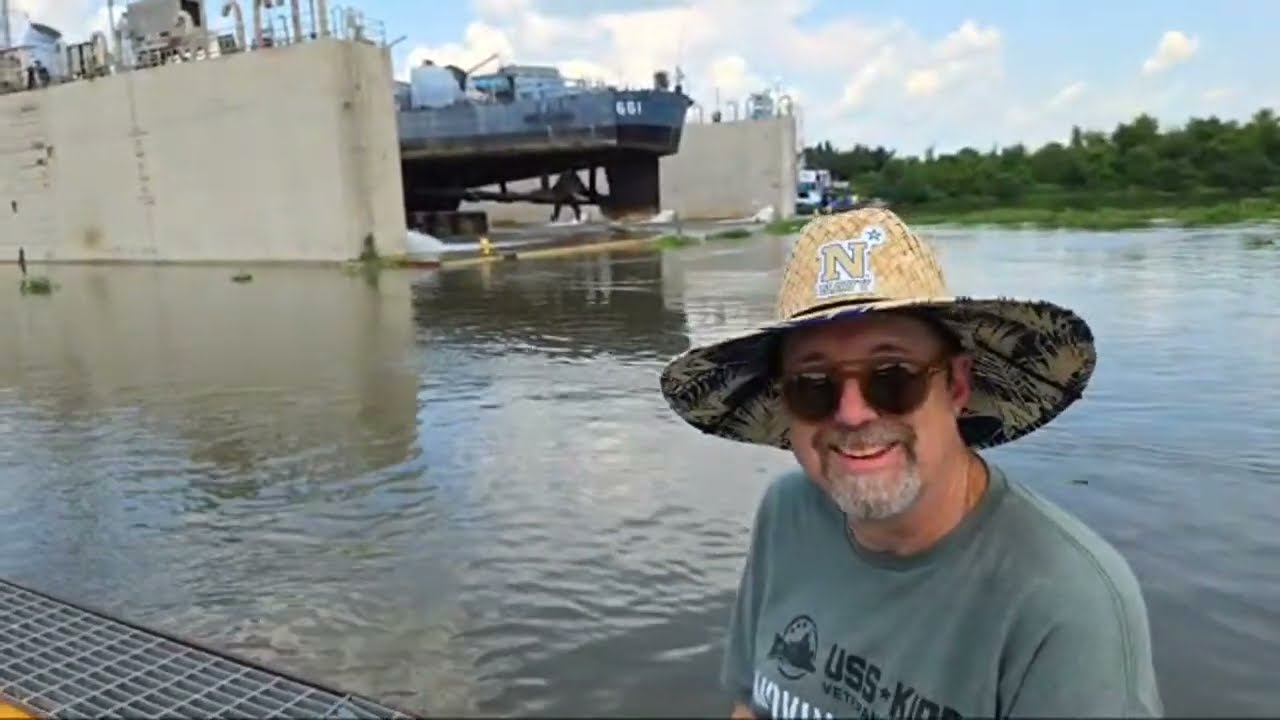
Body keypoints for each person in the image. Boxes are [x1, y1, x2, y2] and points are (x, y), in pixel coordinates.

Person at [658, 208, 1162, 719]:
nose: (853, 413)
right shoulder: (786, 514)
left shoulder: (1066, 606)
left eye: (892, 377)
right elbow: (750, 704)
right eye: (814, 386)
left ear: (957, 386)